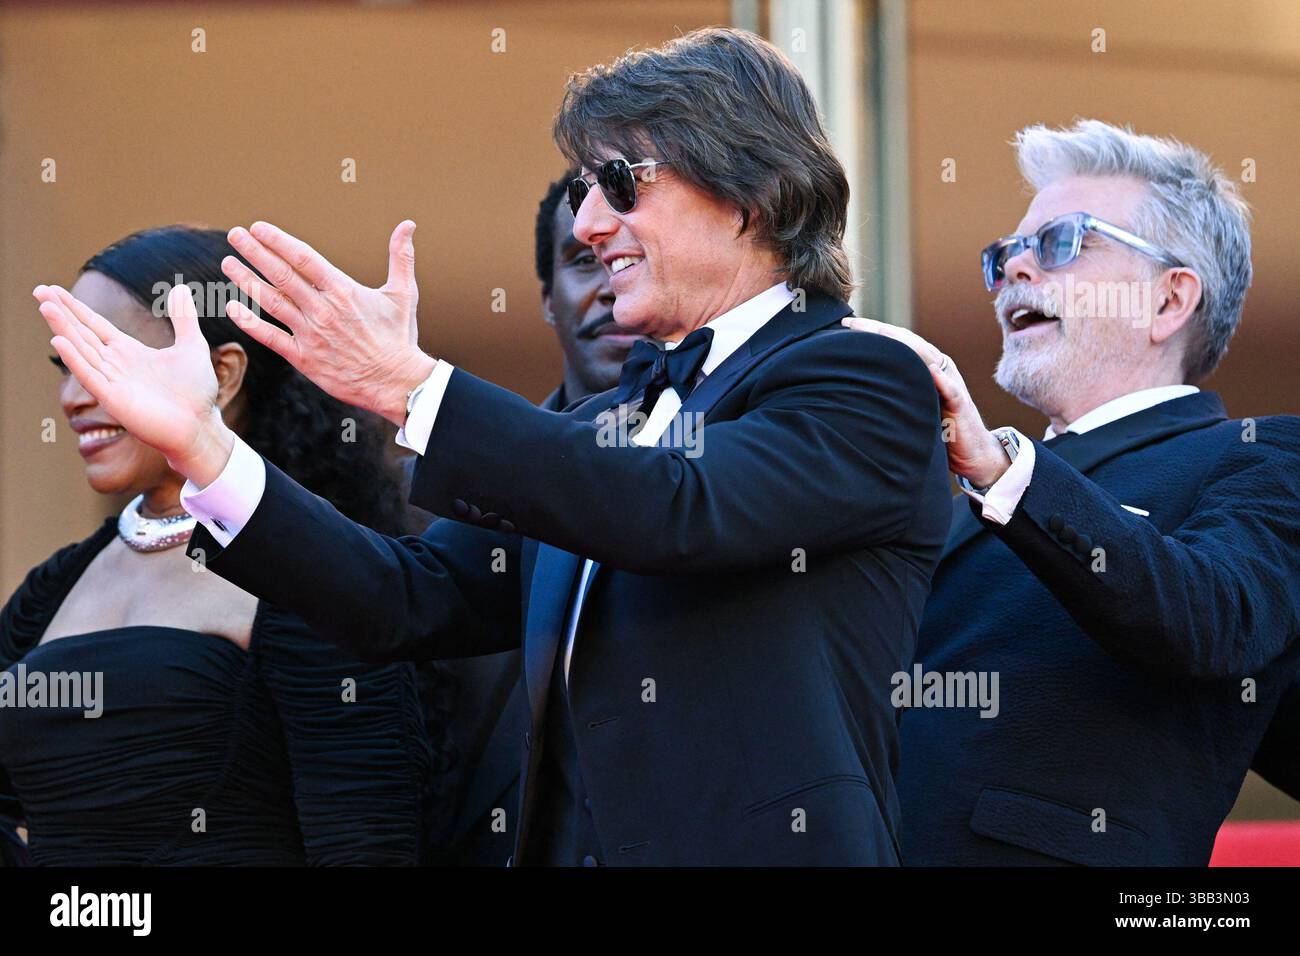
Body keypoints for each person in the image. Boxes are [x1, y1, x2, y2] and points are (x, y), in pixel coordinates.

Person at [37, 28, 951, 866]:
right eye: (586, 190)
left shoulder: (862, 378)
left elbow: (677, 510)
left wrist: (409, 386)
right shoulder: (604, 430)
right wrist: (204, 452)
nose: (589, 223)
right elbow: (405, 600)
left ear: (750, 194)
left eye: (621, 182)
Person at [844, 119, 1300, 865]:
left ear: (1168, 299)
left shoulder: (1260, 458)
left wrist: (1002, 472)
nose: (1016, 270)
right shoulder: (970, 494)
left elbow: (1208, 616)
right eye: (1005, 255)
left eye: (1062, 243)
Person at [4, 226, 435, 865]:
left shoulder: (311, 576)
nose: (71, 397)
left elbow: (365, 837)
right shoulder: (52, 590)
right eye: (65, 365)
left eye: (103, 360)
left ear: (223, 375)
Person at [426, 172, 638, 865]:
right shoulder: (444, 491)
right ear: (547, 299)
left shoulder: (737, 473)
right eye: (583, 262)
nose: (607, 285)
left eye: (625, 259)